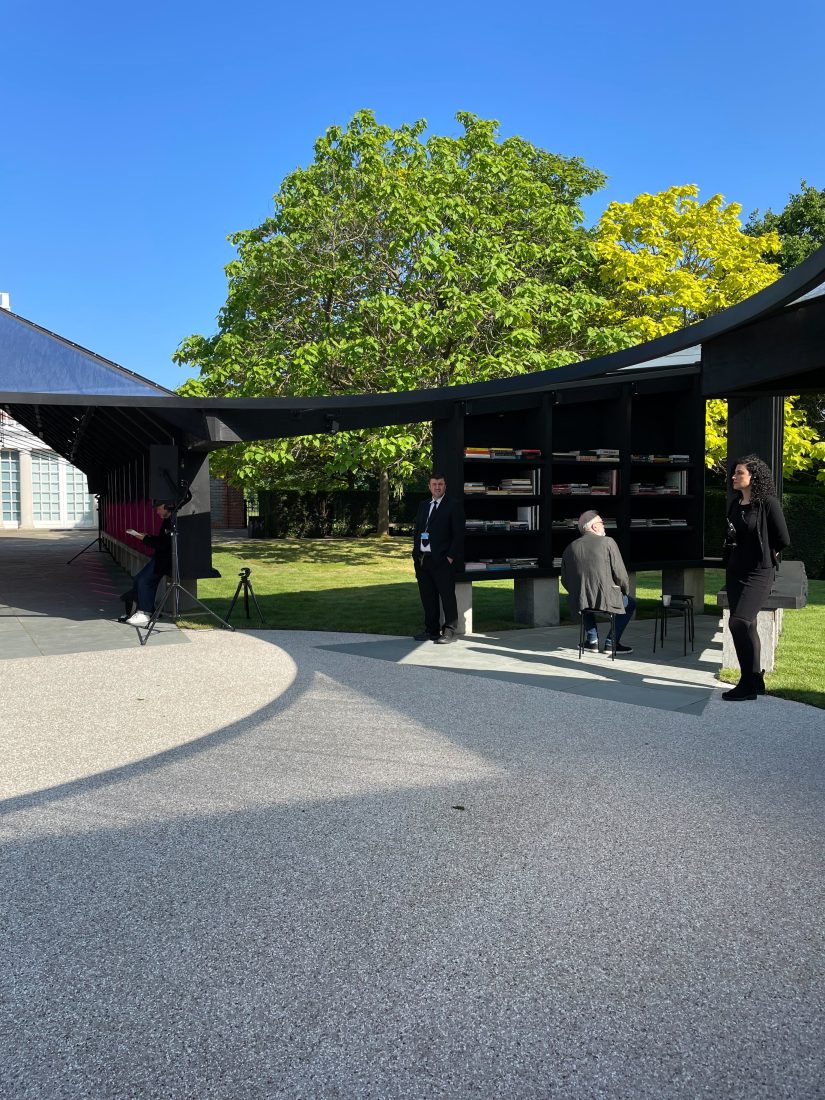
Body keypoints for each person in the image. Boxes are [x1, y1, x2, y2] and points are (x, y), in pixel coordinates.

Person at [722, 454, 790, 701]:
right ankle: (756, 679)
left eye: (739, 473)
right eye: (735, 472)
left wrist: (765, 556)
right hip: (735, 572)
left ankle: (746, 684)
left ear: (753, 477)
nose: (734, 476)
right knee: (747, 624)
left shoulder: (768, 503)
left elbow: (783, 538)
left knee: (738, 623)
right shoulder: (735, 504)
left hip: (759, 573)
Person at [561, 509, 636, 654]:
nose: (604, 526)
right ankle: (611, 642)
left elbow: (565, 580)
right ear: (594, 526)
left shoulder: (570, 548)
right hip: (607, 600)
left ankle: (592, 640)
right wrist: (624, 591)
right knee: (630, 603)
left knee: (584, 599)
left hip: (580, 602)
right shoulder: (608, 542)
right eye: (602, 523)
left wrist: (577, 592)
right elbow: (620, 574)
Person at [412, 473, 464, 644]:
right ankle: (431, 630)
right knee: (428, 597)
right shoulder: (423, 505)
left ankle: (449, 630)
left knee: (447, 596)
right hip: (423, 560)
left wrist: (449, 557)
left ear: (445, 486)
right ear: (429, 486)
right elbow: (418, 530)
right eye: (434, 484)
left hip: (442, 560)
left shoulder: (453, 505)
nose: (437, 487)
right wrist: (415, 554)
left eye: (440, 484)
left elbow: (458, 535)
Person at [120, 502, 173, 627]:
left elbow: (164, 545)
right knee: (140, 579)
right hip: (160, 557)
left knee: (144, 580)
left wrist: (143, 538)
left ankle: (145, 612)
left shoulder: (172, 521)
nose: (157, 512)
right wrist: (147, 536)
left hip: (166, 560)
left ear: (167, 507)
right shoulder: (167, 520)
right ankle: (147, 610)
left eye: (159, 509)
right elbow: (162, 541)